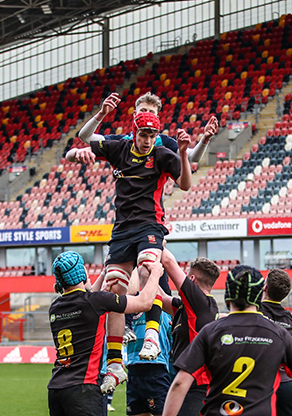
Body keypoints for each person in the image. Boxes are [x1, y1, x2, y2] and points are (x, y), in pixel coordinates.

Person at [66, 111, 191, 393]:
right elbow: (76, 148)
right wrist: (78, 155)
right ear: (134, 132)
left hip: (150, 224)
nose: (147, 140)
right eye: (143, 135)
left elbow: (185, 184)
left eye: (152, 136)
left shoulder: (160, 154)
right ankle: (114, 364)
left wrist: (182, 153)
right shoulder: (119, 148)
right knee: (114, 288)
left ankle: (151, 336)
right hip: (122, 230)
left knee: (148, 268)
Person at [163, 265, 292, 416]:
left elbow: (180, 383)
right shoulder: (278, 333)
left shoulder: (210, 331)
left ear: (227, 295)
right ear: (259, 295)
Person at [47, 250, 164, 416]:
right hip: (84, 389)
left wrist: (104, 273)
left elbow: (88, 298)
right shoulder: (96, 301)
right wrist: (155, 274)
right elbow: (144, 302)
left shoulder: (56, 306)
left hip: (57, 389)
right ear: (81, 273)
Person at [158, 249, 221, 416]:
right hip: (187, 384)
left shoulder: (199, 303)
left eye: (187, 275)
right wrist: (145, 272)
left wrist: (153, 237)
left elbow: (169, 261)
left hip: (195, 387)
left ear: (192, 279)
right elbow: (158, 297)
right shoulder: (188, 308)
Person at [77, 91, 218, 166]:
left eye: (151, 112)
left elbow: (192, 157)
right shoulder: (122, 142)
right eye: (143, 110)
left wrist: (205, 138)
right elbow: (85, 137)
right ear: (134, 115)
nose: (146, 115)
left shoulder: (163, 142)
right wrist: (102, 113)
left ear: (157, 117)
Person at [260, 269, 292, 416]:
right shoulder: (288, 317)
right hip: (287, 382)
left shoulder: (254, 311)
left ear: (265, 287)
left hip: (260, 381)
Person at [124, 308, 174, 416]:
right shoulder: (133, 304)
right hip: (133, 368)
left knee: (162, 412)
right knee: (137, 412)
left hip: (155, 365)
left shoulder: (163, 310)